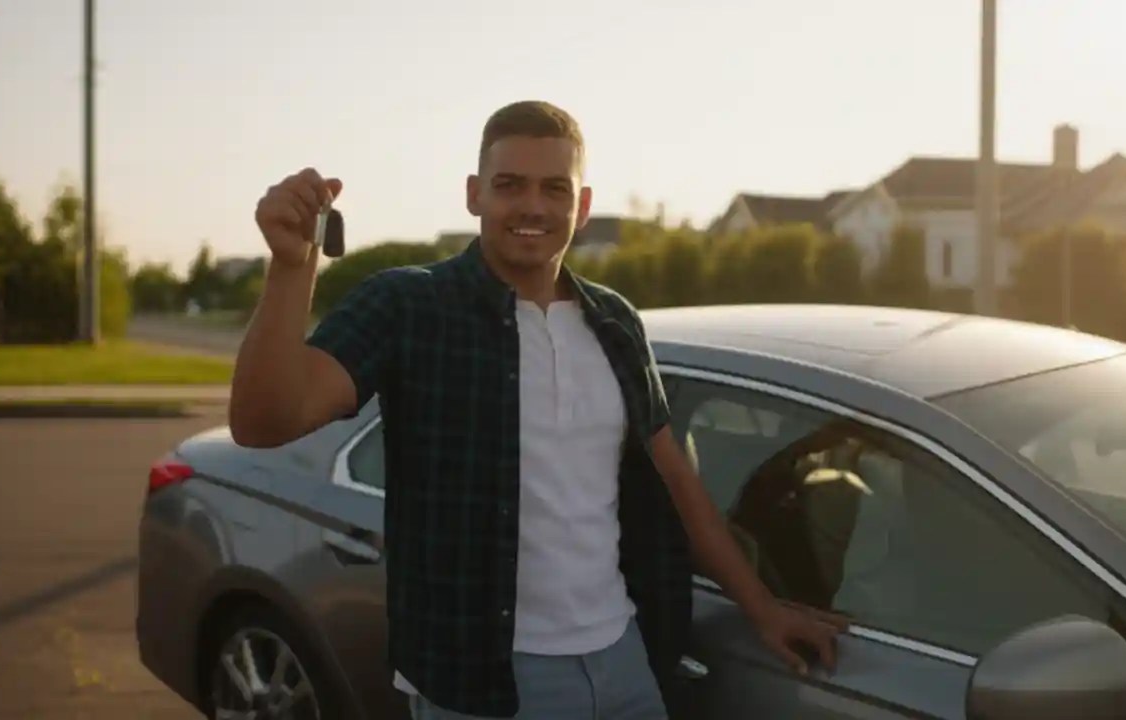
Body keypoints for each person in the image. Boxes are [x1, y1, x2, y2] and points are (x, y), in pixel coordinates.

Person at [229, 100, 847, 720]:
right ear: (474, 195)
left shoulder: (616, 322)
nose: (532, 206)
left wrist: (762, 608)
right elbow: (263, 422)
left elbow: (676, 480)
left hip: (623, 660)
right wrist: (291, 267)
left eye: (555, 188)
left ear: (582, 205)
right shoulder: (409, 307)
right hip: (481, 685)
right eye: (509, 185)